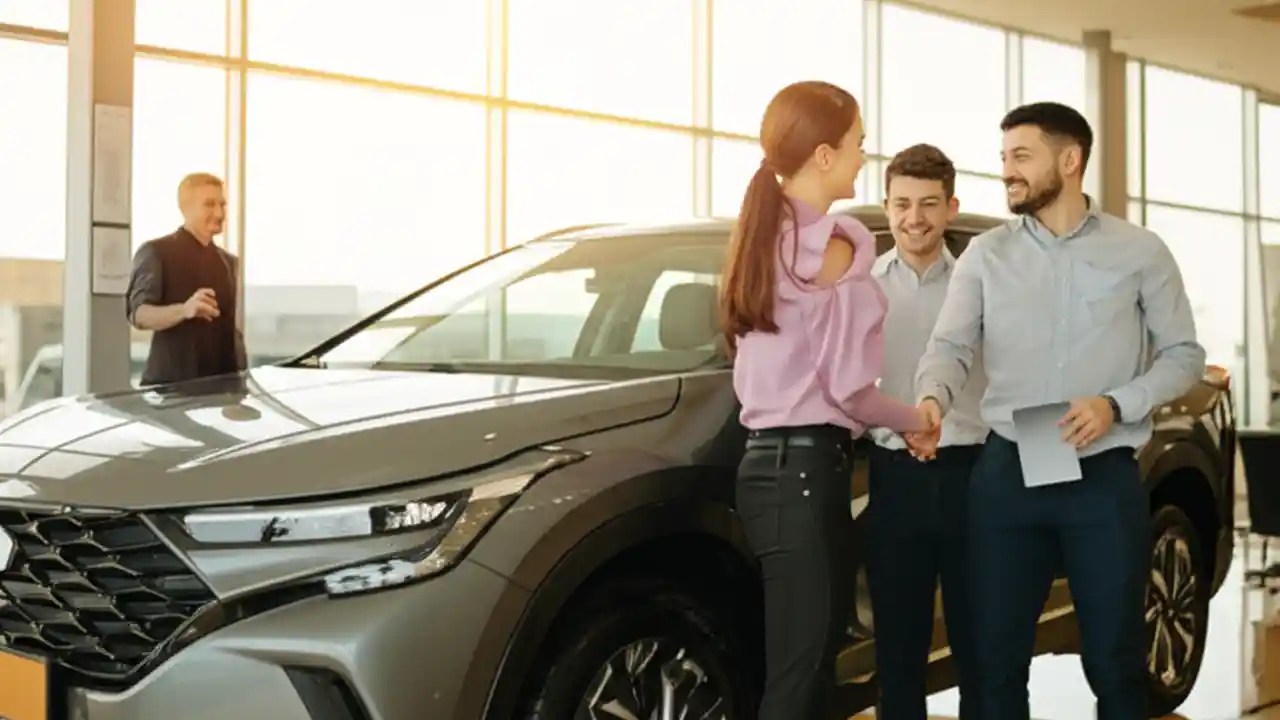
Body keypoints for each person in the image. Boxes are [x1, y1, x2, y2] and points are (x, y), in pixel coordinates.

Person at [910, 101, 1205, 720]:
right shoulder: (987, 255)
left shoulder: (1141, 252)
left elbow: (1184, 356)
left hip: (1102, 476)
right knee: (993, 663)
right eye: (1004, 159)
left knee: (1115, 661)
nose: (1007, 172)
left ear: (1069, 161)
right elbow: (950, 346)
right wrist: (931, 398)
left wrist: (1115, 404)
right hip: (1007, 476)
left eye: (1022, 157)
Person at [719, 80, 935, 720]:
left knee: (797, 669)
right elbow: (848, 389)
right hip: (807, 474)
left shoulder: (759, 234)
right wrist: (917, 420)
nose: (863, 156)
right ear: (822, 155)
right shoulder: (831, 245)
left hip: (767, 471)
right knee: (801, 675)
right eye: (857, 143)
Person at [867, 143, 985, 719]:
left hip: (971, 476)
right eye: (902, 204)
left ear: (951, 207)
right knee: (898, 644)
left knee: (979, 642)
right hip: (894, 479)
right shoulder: (859, 288)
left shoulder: (979, 285)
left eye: (929, 204)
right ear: (886, 207)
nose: (915, 218)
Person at [126, 172, 246, 386]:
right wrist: (184, 310)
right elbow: (139, 314)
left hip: (222, 393)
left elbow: (231, 332)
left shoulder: (230, 263)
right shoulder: (156, 252)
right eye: (209, 204)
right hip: (169, 393)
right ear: (185, 208)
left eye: (222, 204)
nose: (219, 213)